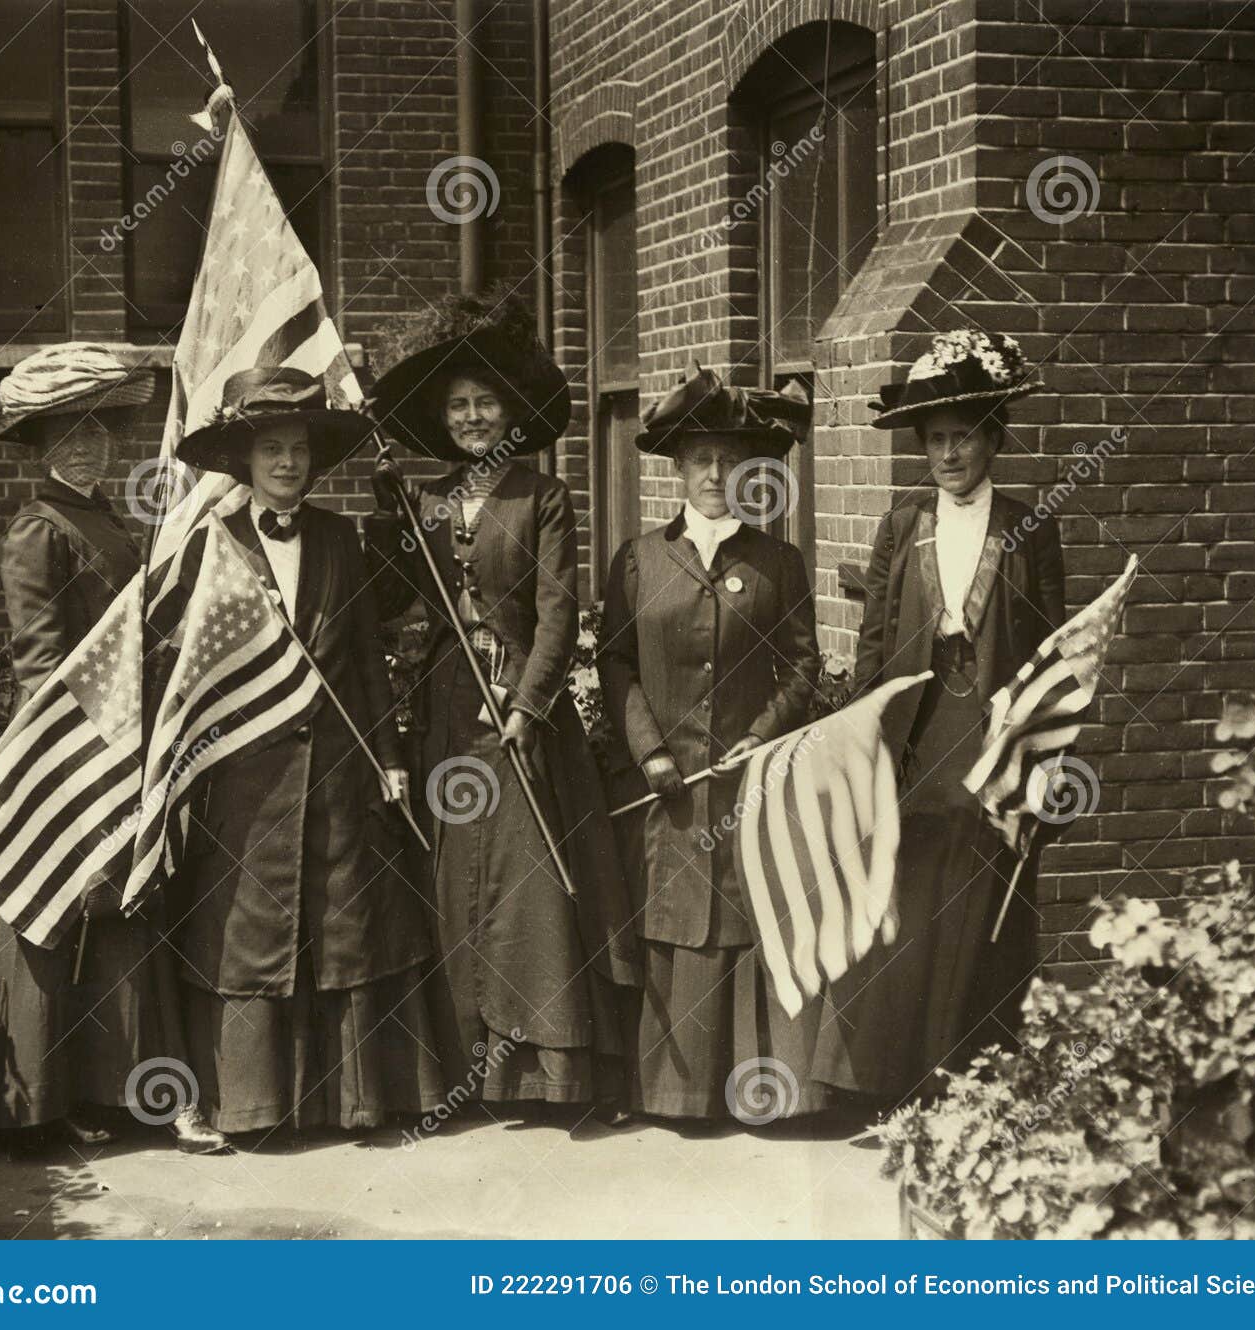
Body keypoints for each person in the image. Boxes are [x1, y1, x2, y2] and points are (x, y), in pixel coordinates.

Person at [366, 295, 641, 1119]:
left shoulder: (543, 498)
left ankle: (549, 1071)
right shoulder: (429, 500)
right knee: (460, 880)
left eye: (485, 402)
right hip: (450, 705)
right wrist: (390, 517)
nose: (474, 417)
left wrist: (527, 706)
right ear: (443, 420)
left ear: (510, 411)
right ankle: (468, 1069)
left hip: (520, 709)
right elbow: (398, 601)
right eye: (458, 406)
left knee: (529, 883)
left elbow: (559, 610)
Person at [0, 342, 226, 1154]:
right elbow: (39, 663)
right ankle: (43, 1104)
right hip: (68, 754)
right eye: (67, 433)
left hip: (123, 742)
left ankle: (116, 1092)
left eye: (100, 429)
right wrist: (86, 757)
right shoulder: (36, 530)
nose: (87, 444)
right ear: (39, 445)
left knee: (119, 916)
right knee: (60, 916)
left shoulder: (105, 516)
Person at [168, 366, 444, 1136]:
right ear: (245, 462)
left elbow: (362, 656)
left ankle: (349, 1103)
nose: (286, 463)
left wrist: (387, 755)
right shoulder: (212, 544)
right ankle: (253, 1104)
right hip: (245, 775)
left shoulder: (336, 536)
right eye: (270, 450)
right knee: (251, 930)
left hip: (335, 769)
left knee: (341, 921)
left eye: (297, 450)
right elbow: (188, 664)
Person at [811, 329, 1067, 1108]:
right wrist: (864, 731)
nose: (949, 455)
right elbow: (876, 638)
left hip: (991, 743)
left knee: (983, 906)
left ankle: (978, 1083)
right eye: (936, 441)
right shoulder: (902, 522)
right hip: (917, 740)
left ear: (993, 438)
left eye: (963, 437)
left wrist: (1044, 758)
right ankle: (896, 1086)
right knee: (909, 906)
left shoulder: (1031, 525)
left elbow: (1055, 655)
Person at [597, 367, 831, 1122]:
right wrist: (650, 750)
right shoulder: (638, 560)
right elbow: (616, 661)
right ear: (677, 468)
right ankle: (676, 1094)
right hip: (666, 787)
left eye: (728, 460)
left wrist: (762, 739)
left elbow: (802, 664)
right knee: (675, 917)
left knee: (745, 916)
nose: (714, 475)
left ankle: (758, 1093)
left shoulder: (776, 562)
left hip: (749, 781)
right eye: (700, 460)